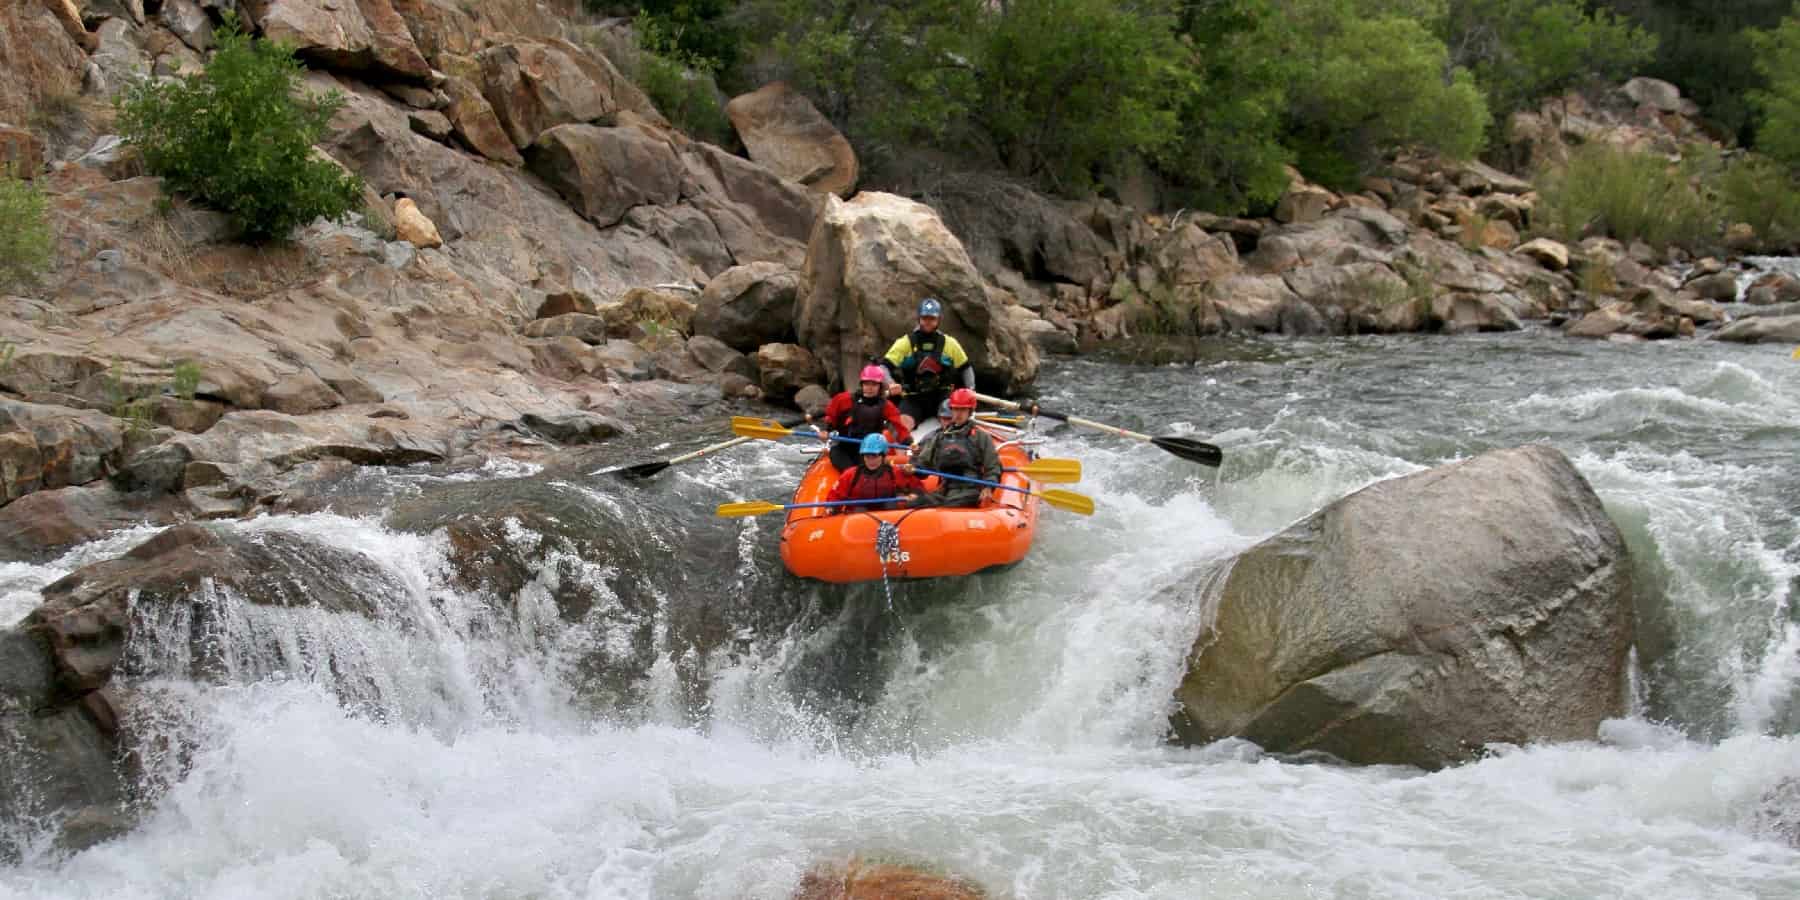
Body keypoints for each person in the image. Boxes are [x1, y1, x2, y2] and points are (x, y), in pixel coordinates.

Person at [882, 297, 975, 430]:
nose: (928, 322)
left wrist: (970, 390)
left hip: (942, 395)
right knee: (901, 427)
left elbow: (966, 368)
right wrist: (890, 383)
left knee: (953, 423)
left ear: (938, 320)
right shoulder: (905, 342)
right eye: (925, 318)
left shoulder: (949, 343)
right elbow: (883, 367)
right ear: (919, 319)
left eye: (932, 319)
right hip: (914, 397)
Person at [903, 388, 1001, 508]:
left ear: (970, 411)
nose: (958, 413)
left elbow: (993, 467)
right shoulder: (940, 437)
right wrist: (913, 467)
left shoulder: (980, 436)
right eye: (955, 409)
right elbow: (924, 466)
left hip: (969, 490)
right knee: (914, 504)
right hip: (945, 489)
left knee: (951, 505)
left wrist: (988, 487)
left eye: (963, 409)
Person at [814, 364, 913, 471]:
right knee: (847, 466)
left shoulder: (886, 406)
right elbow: (830, 416)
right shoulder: (844, 399)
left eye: (874, 384)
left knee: (865, 471)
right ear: (862, 385)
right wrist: (825, 431)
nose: (869, 388)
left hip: (870, 451)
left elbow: (899, 428)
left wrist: (910, 443)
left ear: (880, 387)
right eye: (866, 384)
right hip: (844, 447)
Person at [826, 433, 925, 512]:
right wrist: (832, 507)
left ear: (883, 456)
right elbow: (835, 494)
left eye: (874, 456)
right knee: (860, 510)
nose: (870, 460)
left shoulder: (895, 472)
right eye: (867, 456)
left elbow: (918, 487)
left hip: (888, 514)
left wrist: (915, 494)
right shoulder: (851, 474)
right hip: (858, 519)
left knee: (890, 505)